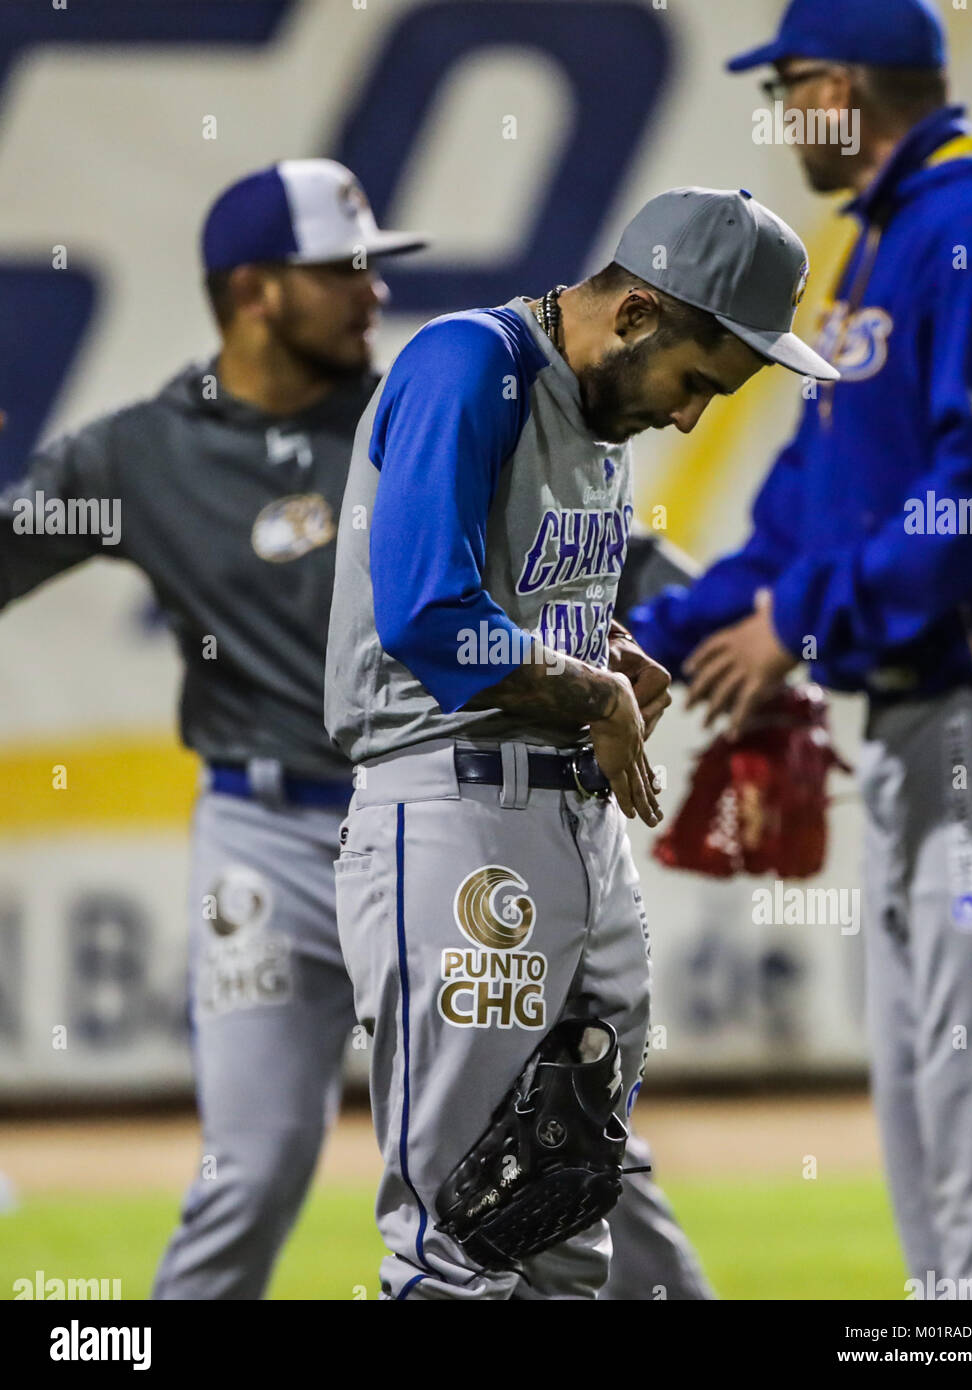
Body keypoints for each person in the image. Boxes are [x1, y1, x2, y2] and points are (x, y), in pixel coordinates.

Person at [0, 159, 714, 1301]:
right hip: (269, 838)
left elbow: (619, 570)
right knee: (257, 1163)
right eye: (341, 269)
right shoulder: (138, 452)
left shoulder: (431, 407)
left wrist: (712, 635)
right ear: (251, 291)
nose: (372, 290)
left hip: (469, 813)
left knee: (586, 1163)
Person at [326, 185, 837, 1299]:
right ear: (639, 313)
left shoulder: (593, 408)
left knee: (560, 1213)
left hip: (568, 827)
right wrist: (596, 693)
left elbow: (518, 605)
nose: (692, 417)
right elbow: (426, 610)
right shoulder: (471, 362)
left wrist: (603, 649)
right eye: (697, 383)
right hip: (453, 819)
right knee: (461, 1232)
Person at [629, 0, 972, 1297]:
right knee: (919, 1080)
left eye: (790, 83)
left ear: (845, 85)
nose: (781, 108)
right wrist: (646, 637)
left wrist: (800, 620)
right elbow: (798, 508)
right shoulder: (878, 244)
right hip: (919, 720)